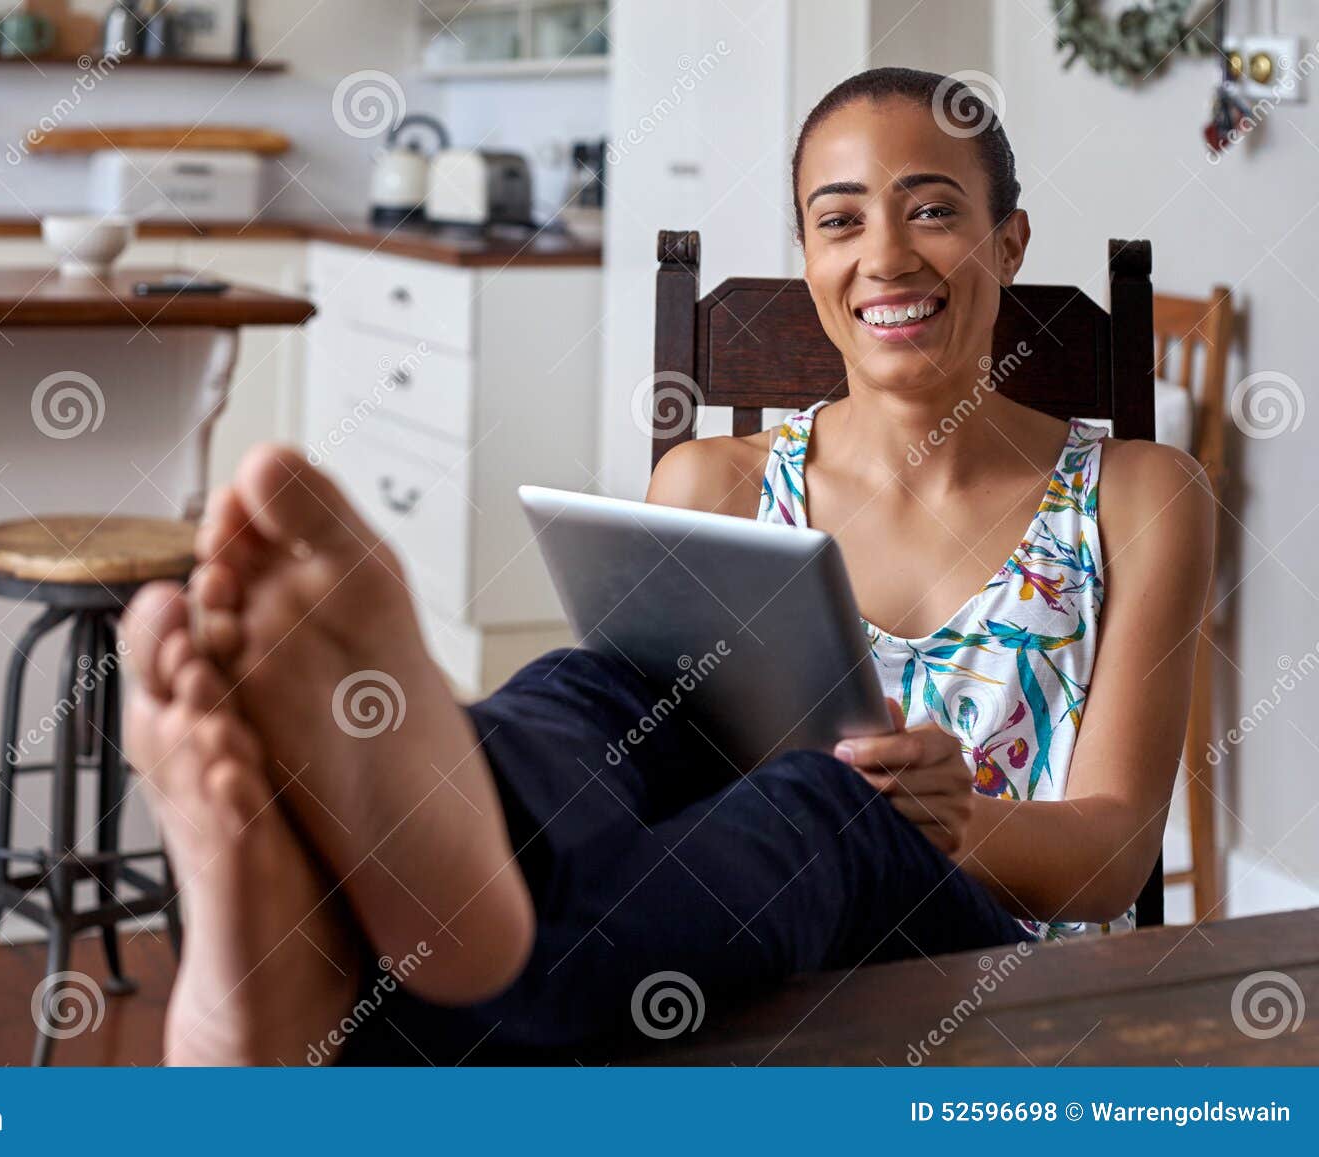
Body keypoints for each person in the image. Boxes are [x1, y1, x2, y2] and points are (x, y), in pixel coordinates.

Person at [118, 67, 1214, 1066]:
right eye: (839, 221)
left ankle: (306, 975)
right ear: (810, 257)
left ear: (1008, 242)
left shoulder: (1137, 494)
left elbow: (1113, 853)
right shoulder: (714, 482)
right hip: (731, 926)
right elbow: (623, 785)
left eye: (931, 210)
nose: (883, 256)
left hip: (985, 980)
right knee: (592, 692)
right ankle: (410, 824)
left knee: (826, 800)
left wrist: (953, 819)